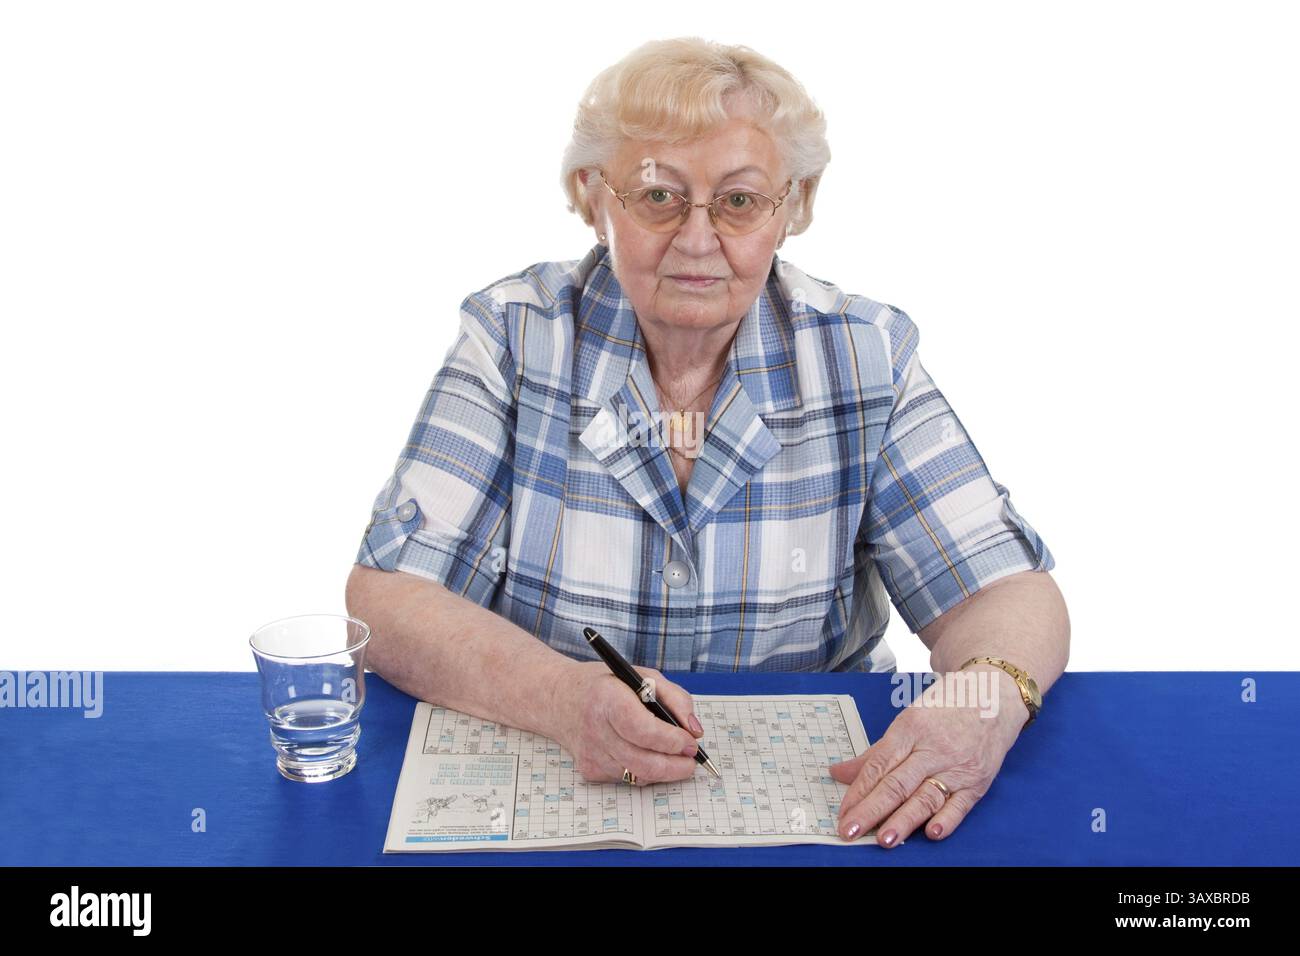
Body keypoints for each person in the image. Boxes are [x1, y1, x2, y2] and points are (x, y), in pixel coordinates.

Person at [346, 36, 1070, 848]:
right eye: (657, 195)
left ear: (793, 205)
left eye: (737, 201)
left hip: (815, 799)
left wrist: (987, 701)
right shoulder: (515, 337)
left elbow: (1003, 594)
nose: (696, 238)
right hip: (548, 775)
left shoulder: (864, 354)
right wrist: (560, 697)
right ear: (593, 197)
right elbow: (389, 599)